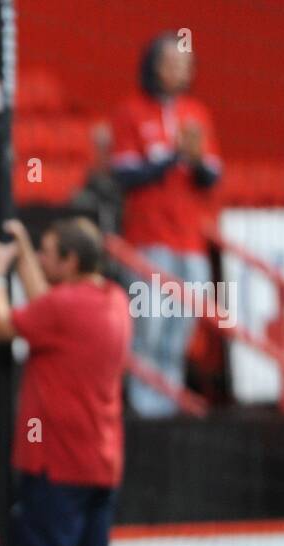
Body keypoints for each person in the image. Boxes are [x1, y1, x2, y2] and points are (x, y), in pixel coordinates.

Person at [0, 218, 130, 546]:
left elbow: (0, 325)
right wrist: (26, 250)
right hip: (100, 465)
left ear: (70, 261)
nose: (43, 261)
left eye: (48, 254)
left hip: (56, 466)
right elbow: (49, 305)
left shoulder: (65, 309)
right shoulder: (113, 300)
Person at [111, 33, 222, 417]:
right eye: (171, 62)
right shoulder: (131, 111)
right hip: (148, 239)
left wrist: (194, 159)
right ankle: (144, 407)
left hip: (189, 241)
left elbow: (212, 176)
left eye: (185, 64)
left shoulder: (197, 113)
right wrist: (172, 157)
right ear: (153, 65)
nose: (179, 71)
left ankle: (168, 401)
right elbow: (123, 174)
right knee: (149, 325)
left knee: (182, 327)